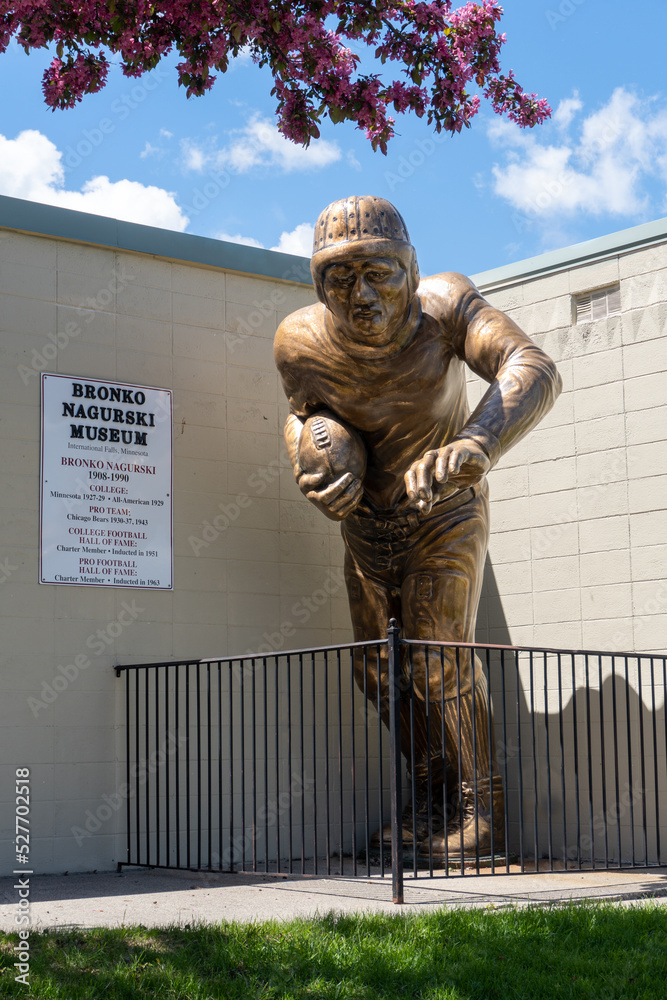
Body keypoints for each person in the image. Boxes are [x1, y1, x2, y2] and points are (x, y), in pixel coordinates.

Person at [274, 195, 561, 857]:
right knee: (378, 673)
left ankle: (480, 810)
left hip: (443, 512)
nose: (361, 293)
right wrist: (310, 460)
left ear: (412, 268)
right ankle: (431, 801)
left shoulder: (446, 307)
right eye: (338, 278)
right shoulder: (298, 340)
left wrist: (479, 442)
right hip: (366, 528)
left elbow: (531, 366)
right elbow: (302, 417)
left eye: (379, 272)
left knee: (438, 656)